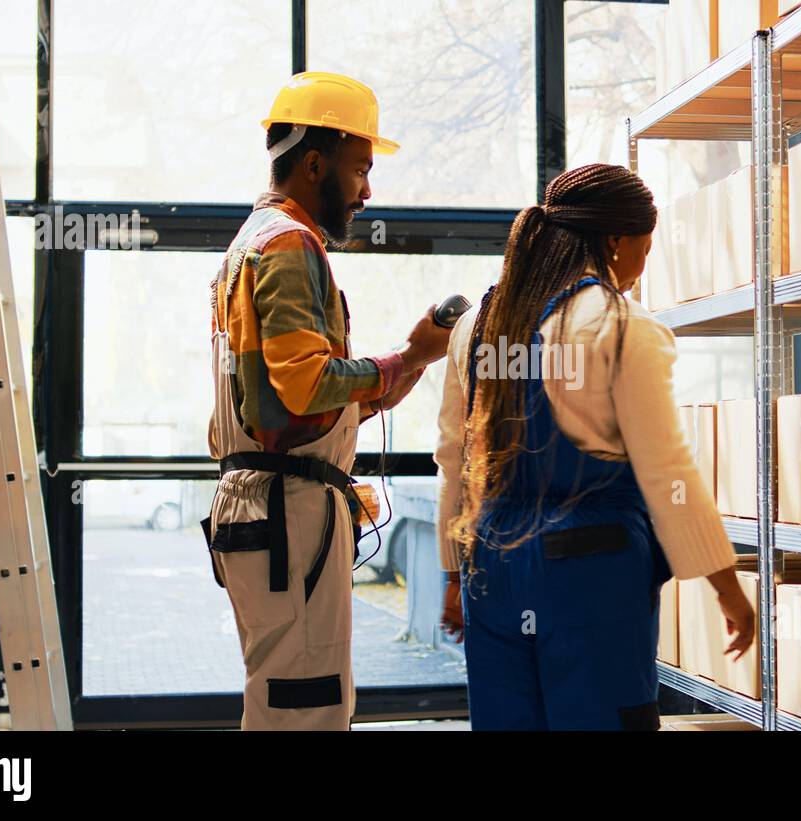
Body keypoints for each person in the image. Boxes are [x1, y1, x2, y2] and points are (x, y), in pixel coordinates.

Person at [433, 164, 754, 730]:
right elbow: (666, 472)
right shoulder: (617, 324)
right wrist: (727, 587)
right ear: (615, 241)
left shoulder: (478, 325)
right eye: (644, 248)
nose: (641, 267)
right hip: (589, 576)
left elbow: (455, 462)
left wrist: (453, 575)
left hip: (493, 570)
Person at [204, 72, 451, 730]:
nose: (368, 189)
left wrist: (404, 365)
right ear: (315, 164)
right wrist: (397, 361)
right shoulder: (289, 244)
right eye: (360, 169)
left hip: (266, 506)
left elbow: (283, 407)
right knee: (306, 706)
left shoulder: (248, 245)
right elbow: (308, 383)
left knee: (286, 698)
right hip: (290, 517)